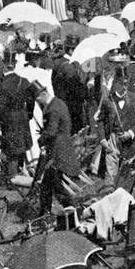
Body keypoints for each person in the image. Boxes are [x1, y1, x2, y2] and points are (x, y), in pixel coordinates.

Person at [34, 81, 80, 215]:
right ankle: (46, 212)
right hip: (62, 147)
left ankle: (64, 208)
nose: (37, 102)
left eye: (37, 98)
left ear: (43, 94)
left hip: (57, 151)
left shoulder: (52, 109)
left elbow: (51, 132)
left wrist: (40, 139)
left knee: (52, 183)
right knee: (50, 183)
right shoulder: (58, 102)